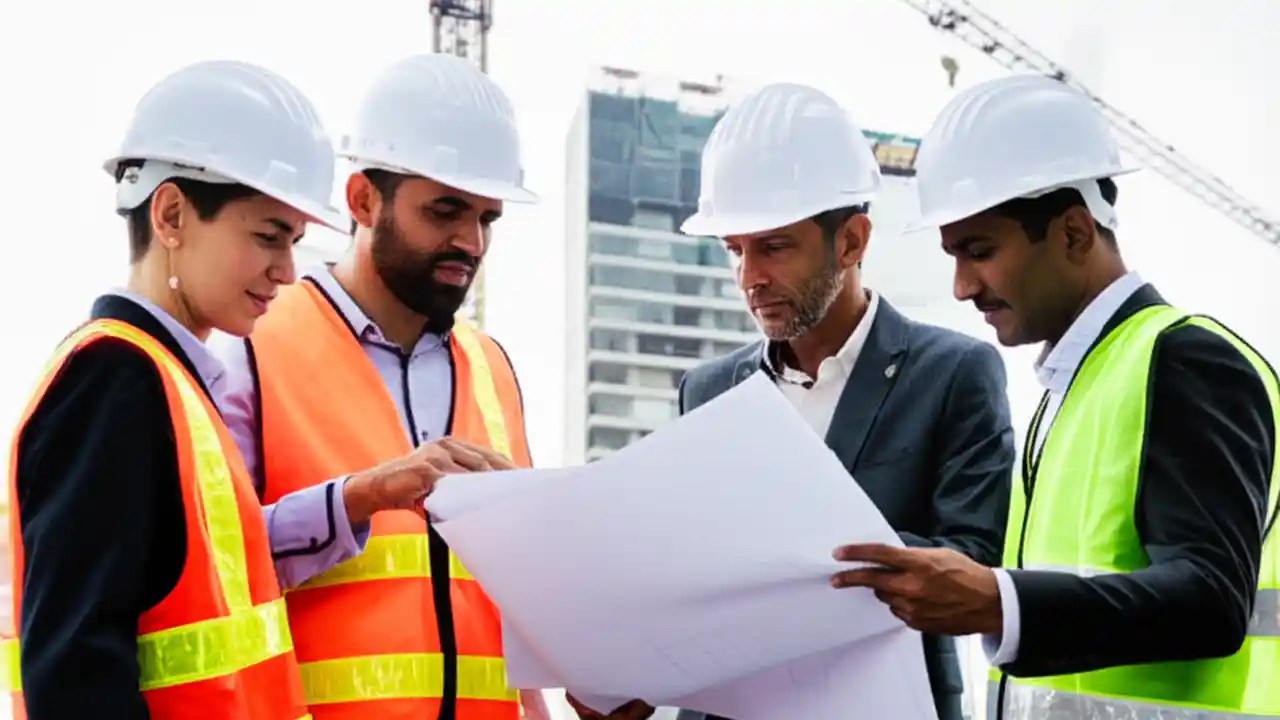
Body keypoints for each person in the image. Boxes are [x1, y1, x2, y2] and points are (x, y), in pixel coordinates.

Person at [833, 74, 1279, 719]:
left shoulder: (1185, 359)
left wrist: (999, 602)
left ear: (1073, 233)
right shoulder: (1070, 388)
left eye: (979, 252)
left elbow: (1212, 599)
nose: (961, 286)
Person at [653, 83, 1012, 720]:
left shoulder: (955, 373)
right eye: (735, 250)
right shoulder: (706, 391)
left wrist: (790, 559)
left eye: (773, 246)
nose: (749, 278)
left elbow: (971, 560)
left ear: (851, 241)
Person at [213, 53, 550, 720]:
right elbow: (215, 570)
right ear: (363, 200)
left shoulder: (492, 371)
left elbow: (514, 614)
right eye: (446, 211)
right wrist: (362, 498)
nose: (471, 241)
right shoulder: (253, 344)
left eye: (487, 218)